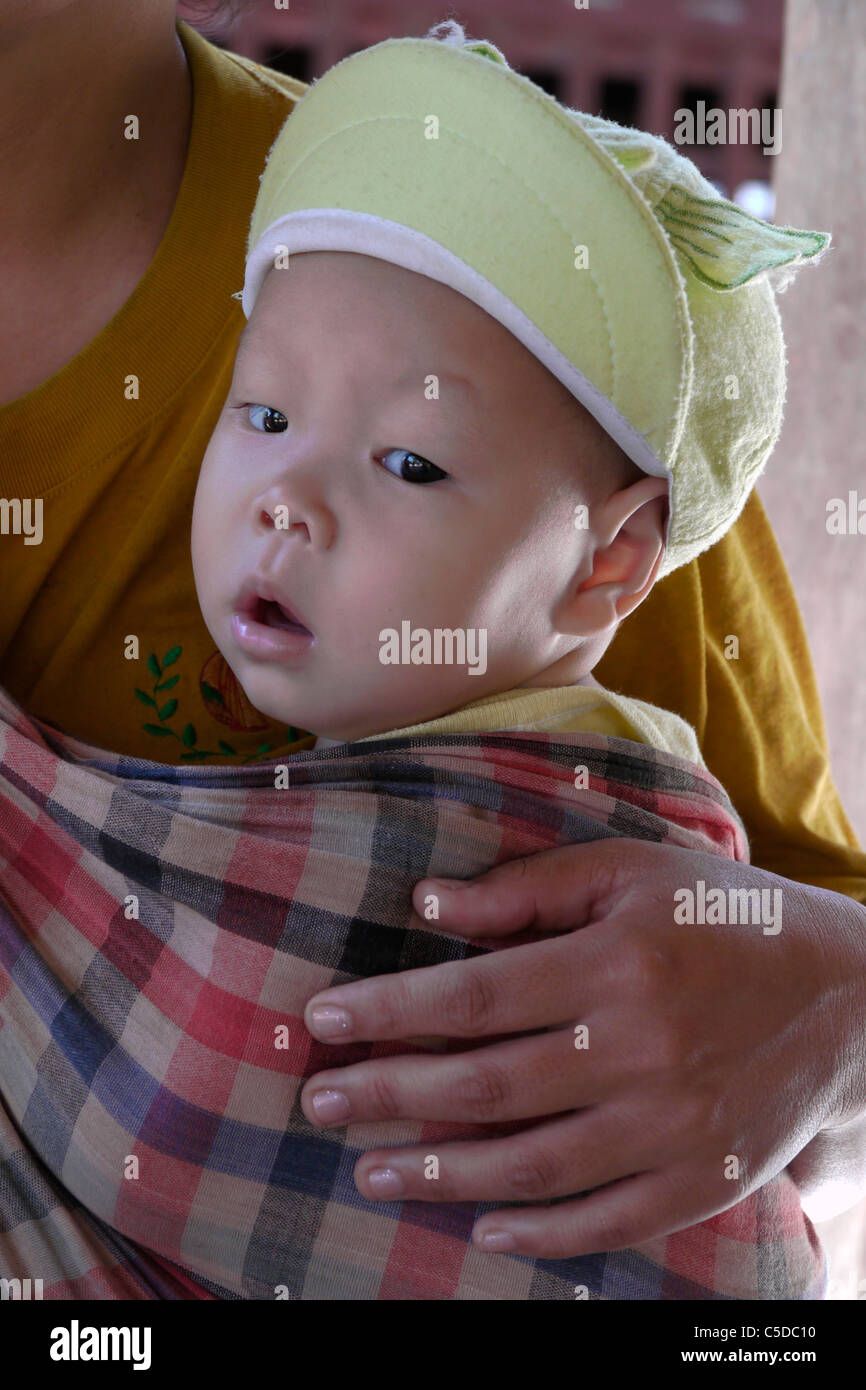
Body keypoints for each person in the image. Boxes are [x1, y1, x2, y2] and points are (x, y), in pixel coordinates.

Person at [0, 1, 864, 1286]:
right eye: (264, 414)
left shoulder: (495, 288)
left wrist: (838, 1007)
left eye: (408, 463)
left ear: (611, 559)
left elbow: (803, 1028)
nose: (287, 495)